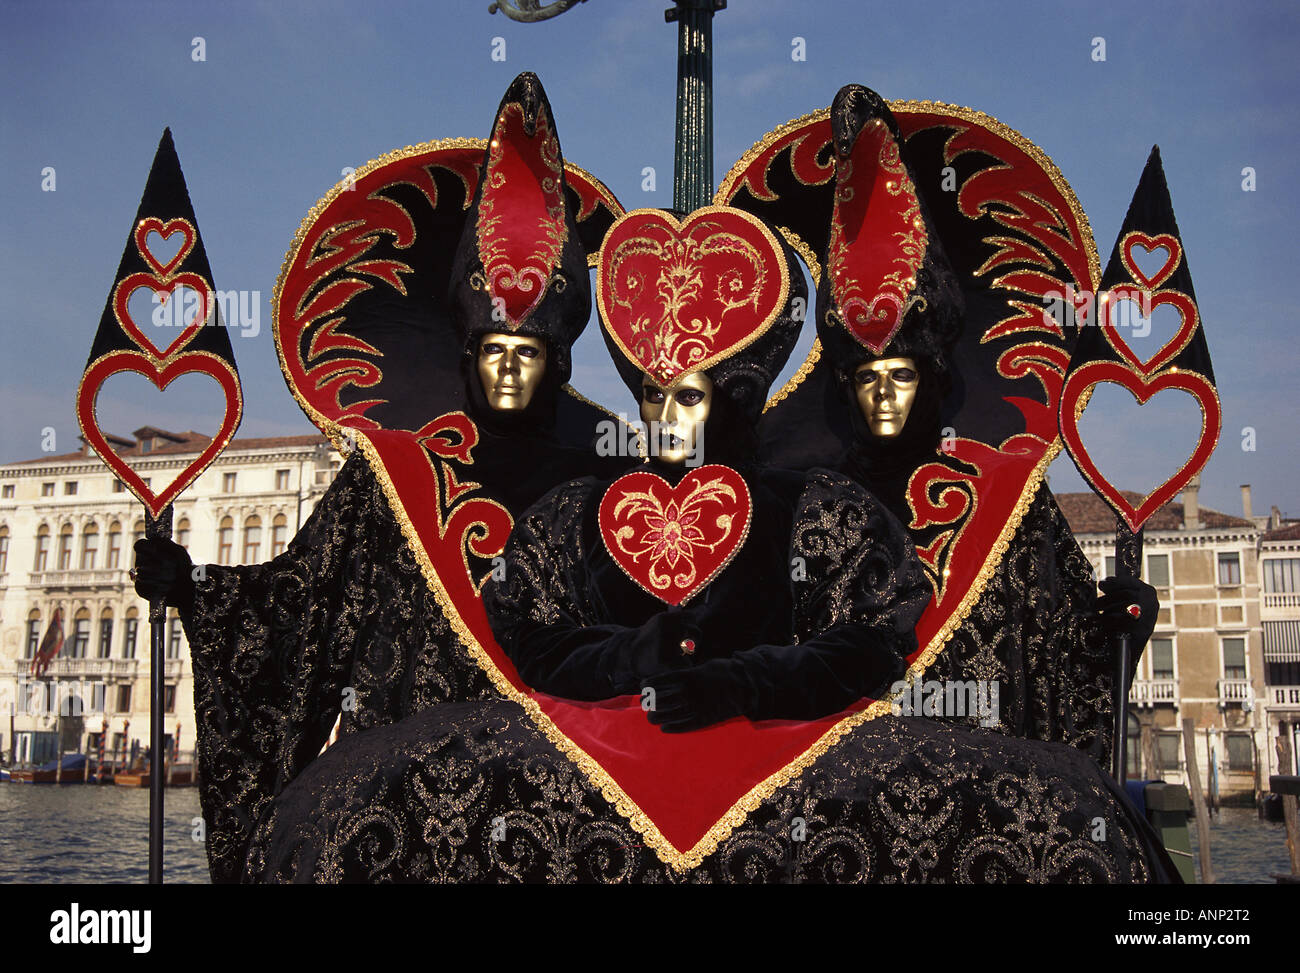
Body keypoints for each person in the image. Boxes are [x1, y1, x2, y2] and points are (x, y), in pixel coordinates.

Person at [130, 73, 627, 883]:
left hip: (568, 802)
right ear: (466, 354)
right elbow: (299, 601)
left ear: (558, 357)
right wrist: (197, 589)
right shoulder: (397, 473)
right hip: (409, 808)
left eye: (526, 354)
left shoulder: (610, 470)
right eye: (492, 353)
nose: (506, 373)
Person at [809, 83, 1158, 761]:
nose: (883, 396)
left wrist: (1120, 629)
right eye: (866, 378)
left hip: (985, 793)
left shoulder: (1006, 497)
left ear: (930, 377)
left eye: (900, 375)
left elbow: (1064, 659)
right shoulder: (815, 504)